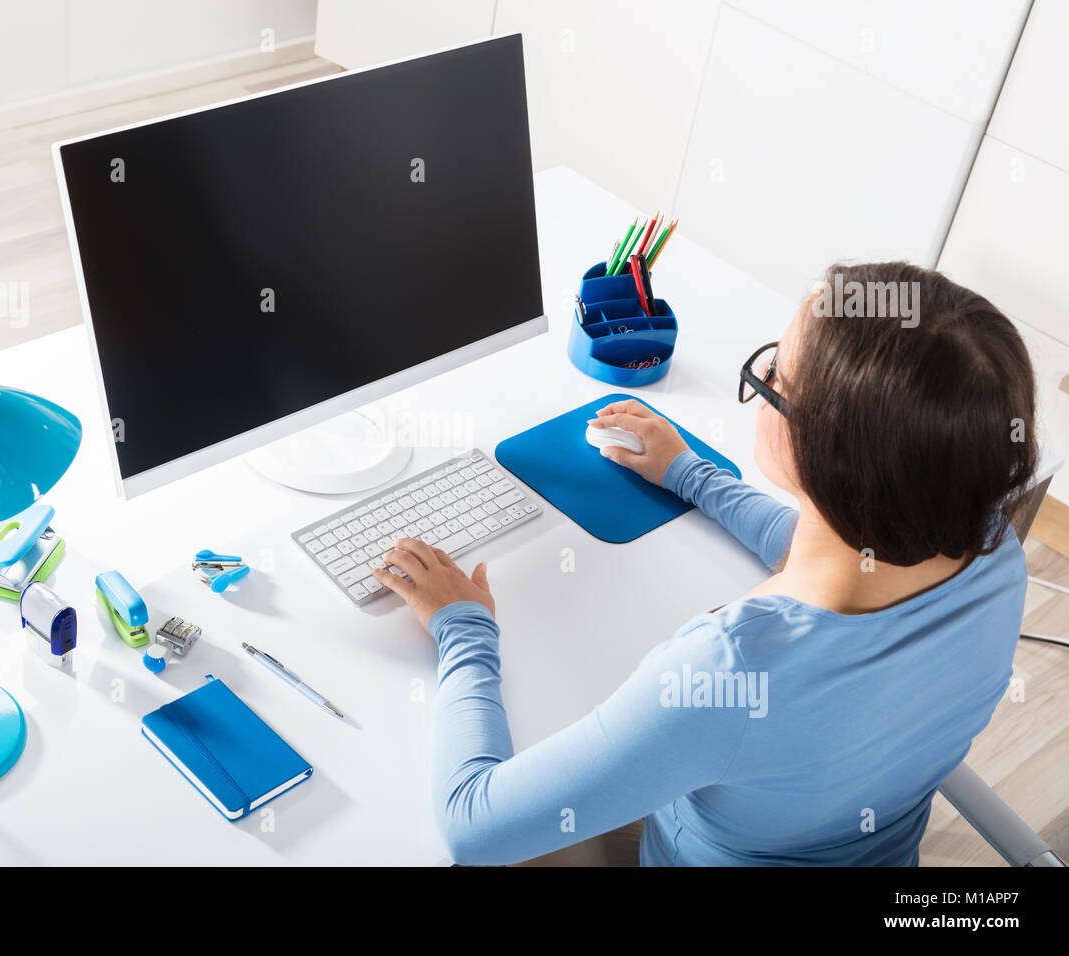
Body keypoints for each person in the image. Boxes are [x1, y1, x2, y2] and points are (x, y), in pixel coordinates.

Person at [371, 262, 1038, 865]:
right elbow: (848, 552)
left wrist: (464, 629)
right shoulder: (995, 554)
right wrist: (692, 474)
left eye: (775, 373)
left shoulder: (729, 674)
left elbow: (471, 826)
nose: (766, 376)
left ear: (809, 441)